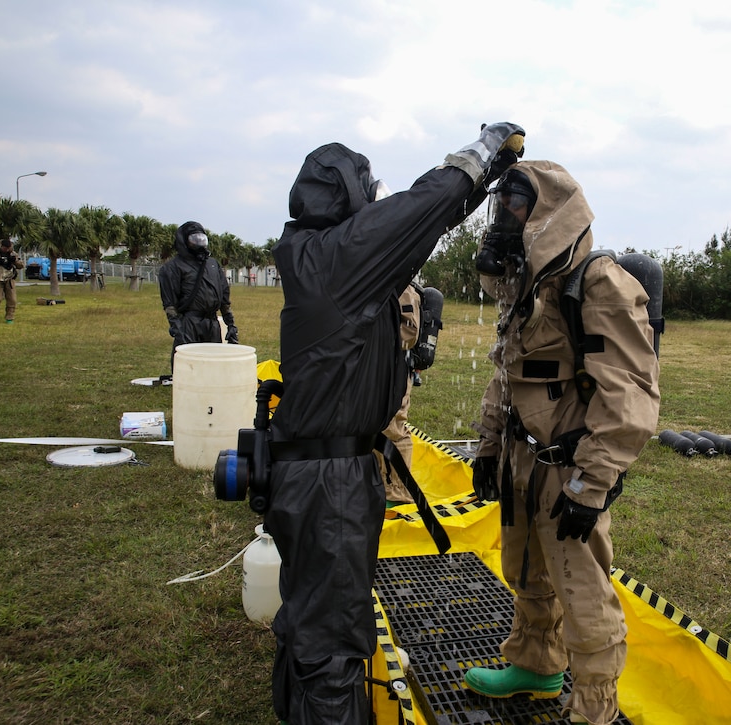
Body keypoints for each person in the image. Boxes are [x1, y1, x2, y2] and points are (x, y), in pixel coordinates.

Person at [263, 122, 525, 724]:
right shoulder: (337, 259)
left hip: (320, 470)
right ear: (349, 196)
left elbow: (417, 225)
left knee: (312, 620)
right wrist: (481, 155)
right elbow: (420, 207)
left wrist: (477, 185)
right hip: (328, 484)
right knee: (332, 643)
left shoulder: (322, 255)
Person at [465, 161, 661, 725]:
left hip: (573, 465)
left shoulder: (597, 283)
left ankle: (595, 708)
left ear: (550, 213)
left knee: (581, 588)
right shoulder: (524, 285)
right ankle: (535, 663)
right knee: (525, 568)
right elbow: (507, 371)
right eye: (502, 207)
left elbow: (630, 396)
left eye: (516, 206)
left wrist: (592, 484)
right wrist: (488, 446)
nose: (506, 218)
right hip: (523, 457)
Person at [157, 222, 238, 373]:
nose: (199, 242)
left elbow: (224, 297)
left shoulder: (212, 264)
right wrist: (176, 325)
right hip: (189, 322)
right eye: (194, 239)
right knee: (187, 364)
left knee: (213, 365)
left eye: (201, 238)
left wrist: (231, 324)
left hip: (212, 322)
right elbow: (169, 302)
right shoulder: (174, 267)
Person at [381, 281, 423, 506]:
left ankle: (398, 491)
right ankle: (378, 482)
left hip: (395, 368)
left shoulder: (404, 288)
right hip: (375, 368)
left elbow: (409, 334)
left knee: (393, 427)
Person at [0, 239, 24, 324]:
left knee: (12, 300)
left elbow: (21, 265)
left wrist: (14, 261)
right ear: (1, 246)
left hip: (10, 279)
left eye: (8, 248)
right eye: (4, 248)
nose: (6, 249)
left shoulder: (13, 254)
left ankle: (9, 317)